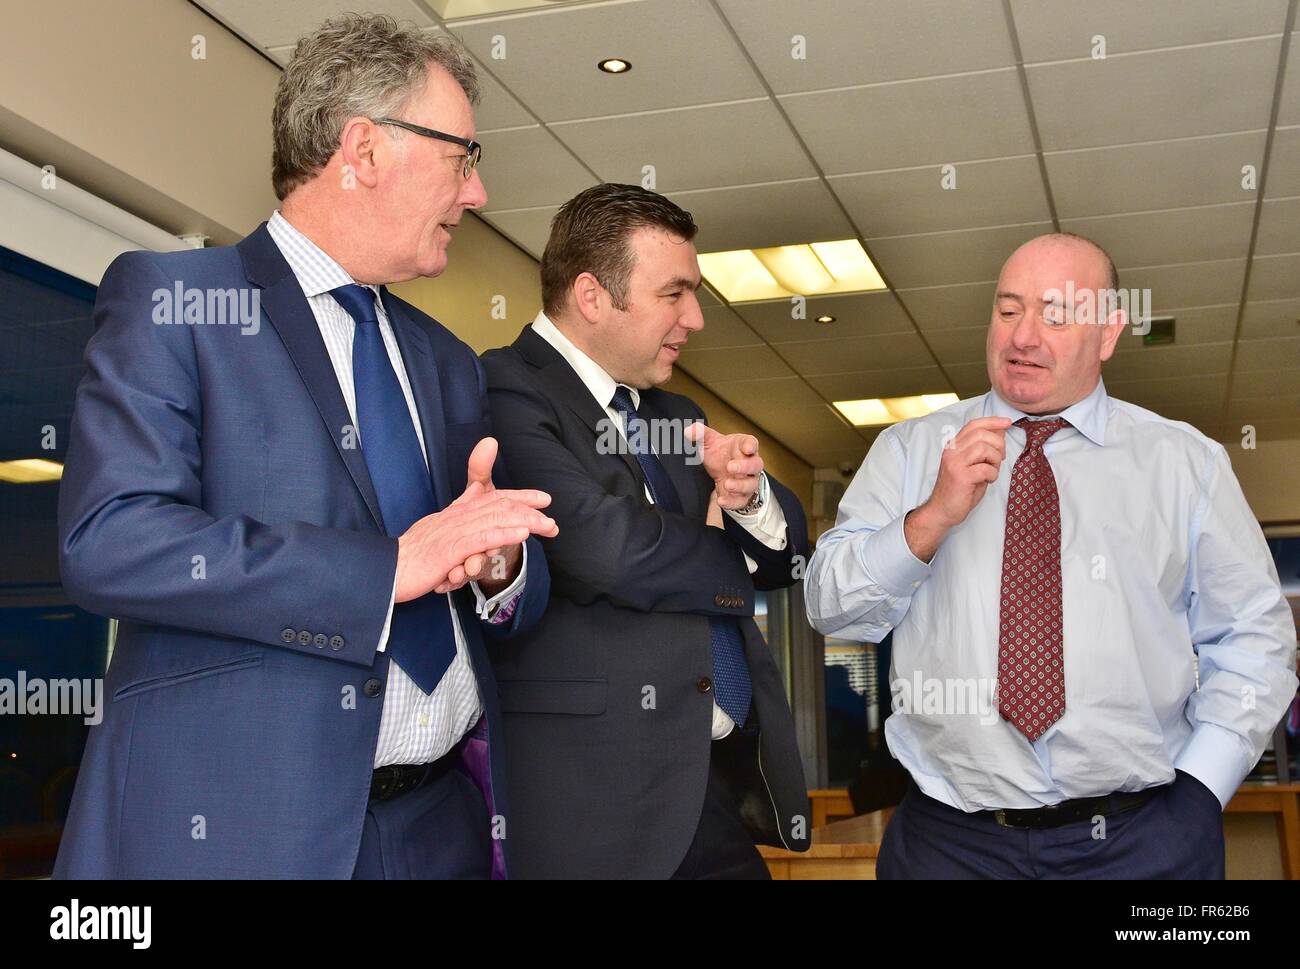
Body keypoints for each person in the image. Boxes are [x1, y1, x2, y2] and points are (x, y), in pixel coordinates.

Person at [54, 14, 557, 879]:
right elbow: (110, 540)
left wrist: (500, 568)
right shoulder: (174, 301)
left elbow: (505, 584)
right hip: (251, 837)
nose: (476, 194)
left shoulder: (446, 360)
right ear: (363, 150)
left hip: (444, 829)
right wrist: (381, 572)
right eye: (462, 157)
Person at [805, 232, 1298, 879]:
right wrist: (929, 519)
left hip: (1144, 841)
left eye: (1056, 314)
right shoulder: (910, 452)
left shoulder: (1184, 463)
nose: (1022, 336)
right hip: (950, 846)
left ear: (1108, 332)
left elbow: (1256, 637)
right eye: (1008, 310)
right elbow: (831, 608)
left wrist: (1201, 789)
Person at [480, 184, 812, 878]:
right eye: (675, 293)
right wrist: (732, 552)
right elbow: (602, 551)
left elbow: (787, 556)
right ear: (593, 296)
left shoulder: (677, 409)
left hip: (711, 787)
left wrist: (746, 499)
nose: (694, 318)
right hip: (596, 808)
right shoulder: (503, 389)